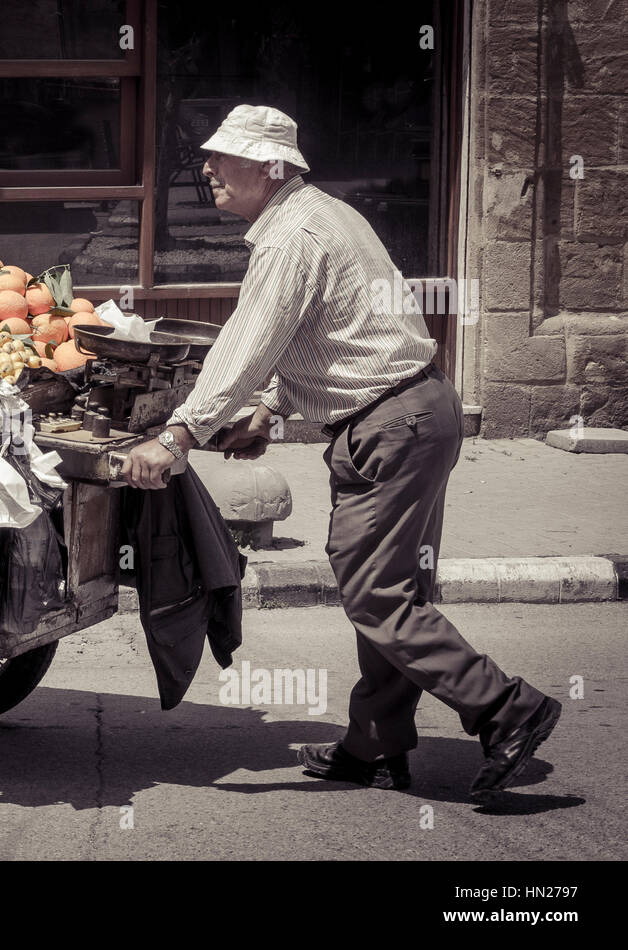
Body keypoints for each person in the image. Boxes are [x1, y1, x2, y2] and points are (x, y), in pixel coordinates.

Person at [122, 104, 560, 800]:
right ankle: (375, 746)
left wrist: (179, 434)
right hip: (409, 414)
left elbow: (249, 342)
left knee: (377, 596)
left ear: (271, 168)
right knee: (391, 591)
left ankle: (507, 707)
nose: (206, 169)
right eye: (209, 156)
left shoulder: (292, 236)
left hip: (391, 424)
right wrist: (271, 409)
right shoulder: (317, 215)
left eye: (223, 157)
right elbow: (336, 333)